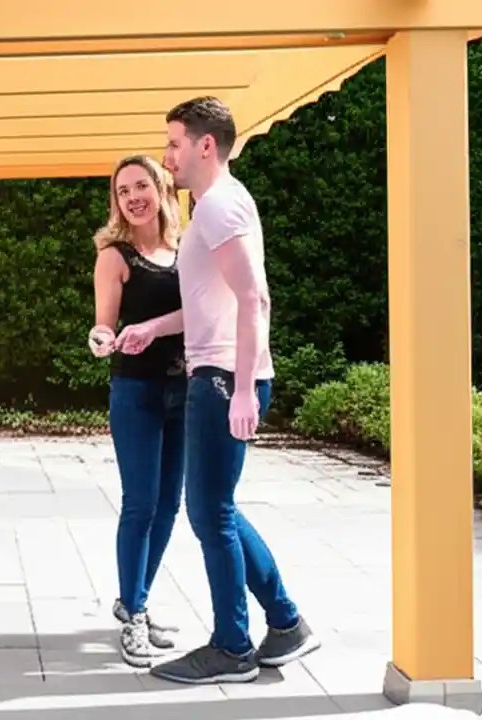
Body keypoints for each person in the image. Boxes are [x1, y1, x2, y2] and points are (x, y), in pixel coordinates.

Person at [115, 97, 320, 683]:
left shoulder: (217, 209)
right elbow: (212, 300)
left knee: (211, 515)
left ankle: (233, 647)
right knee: (217, 510)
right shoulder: (218, 203)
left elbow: (254, 298)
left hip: (224, 376)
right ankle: (284, 623)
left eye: (174, 143)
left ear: (206, 145)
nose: (167, 155)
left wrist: (245, 390)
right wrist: (152, 327)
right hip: (223, 371)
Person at [87, 155, 187, 668]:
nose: (132, 197)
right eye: (123, 190)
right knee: (141, 503)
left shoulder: (187, 250)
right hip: (136, 392)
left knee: (171, 504)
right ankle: (136, 617)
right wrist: (101, 338)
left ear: (160, 188)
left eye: (140, 185)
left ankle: (136, 603)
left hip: (185, 393)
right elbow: (104, 322)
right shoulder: (115, 255)